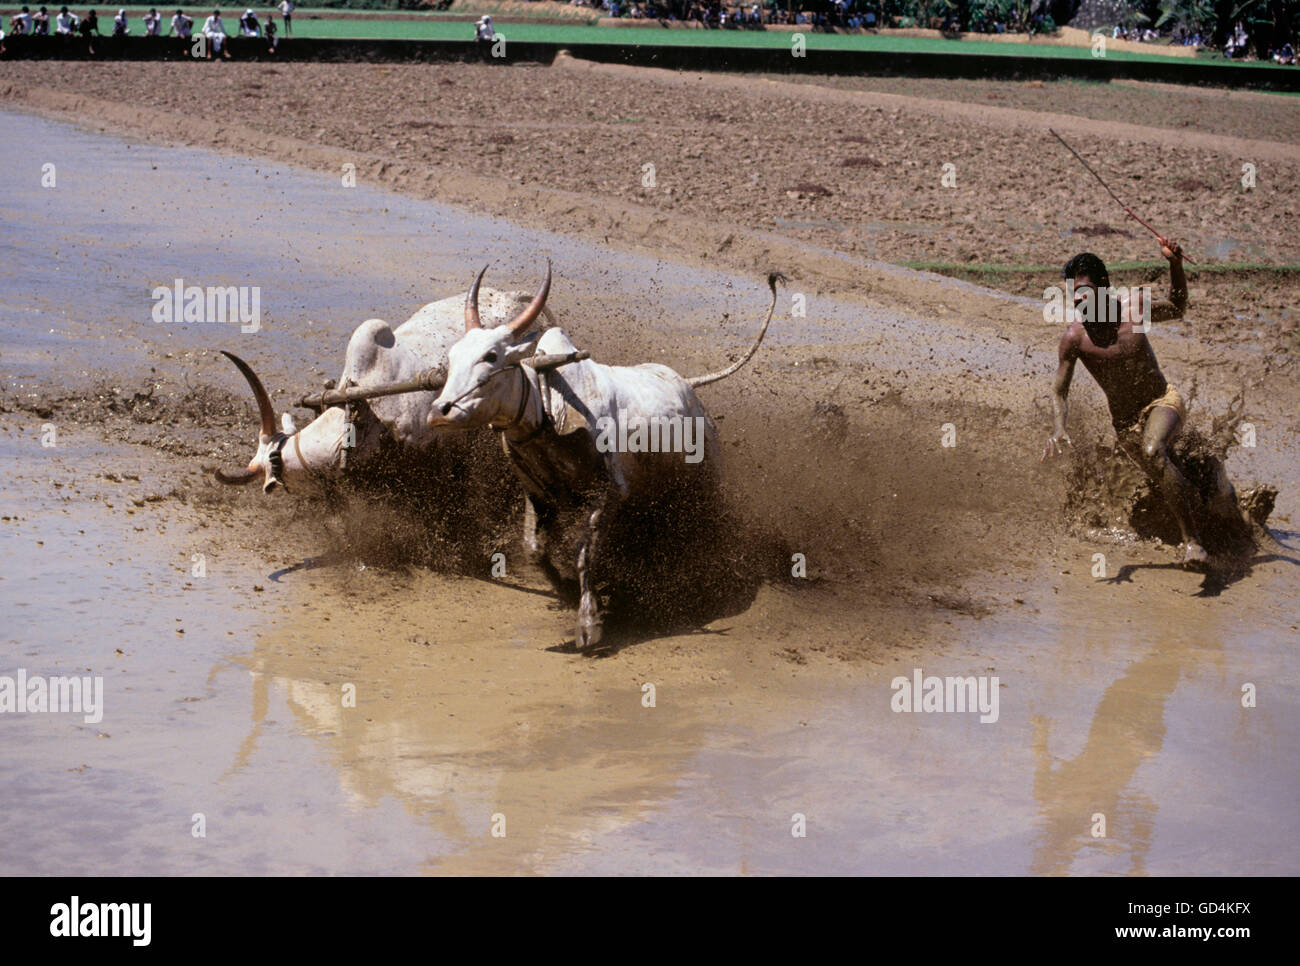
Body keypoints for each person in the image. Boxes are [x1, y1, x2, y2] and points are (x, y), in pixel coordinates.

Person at [1042, 237, 1238, 569]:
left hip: (1162, 401)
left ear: (1104, 286)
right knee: (1170, 476)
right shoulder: (1073, 339)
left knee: (1153, 451)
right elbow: (1059, 390)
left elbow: (1177, 307)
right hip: (1126, 425)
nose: (1079, 303)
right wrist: (1059, 428)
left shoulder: (1133, 308)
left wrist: (1175, 265)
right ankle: (1217, 491)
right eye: (1074, 296)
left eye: (1085, 294)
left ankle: (1193, 544)